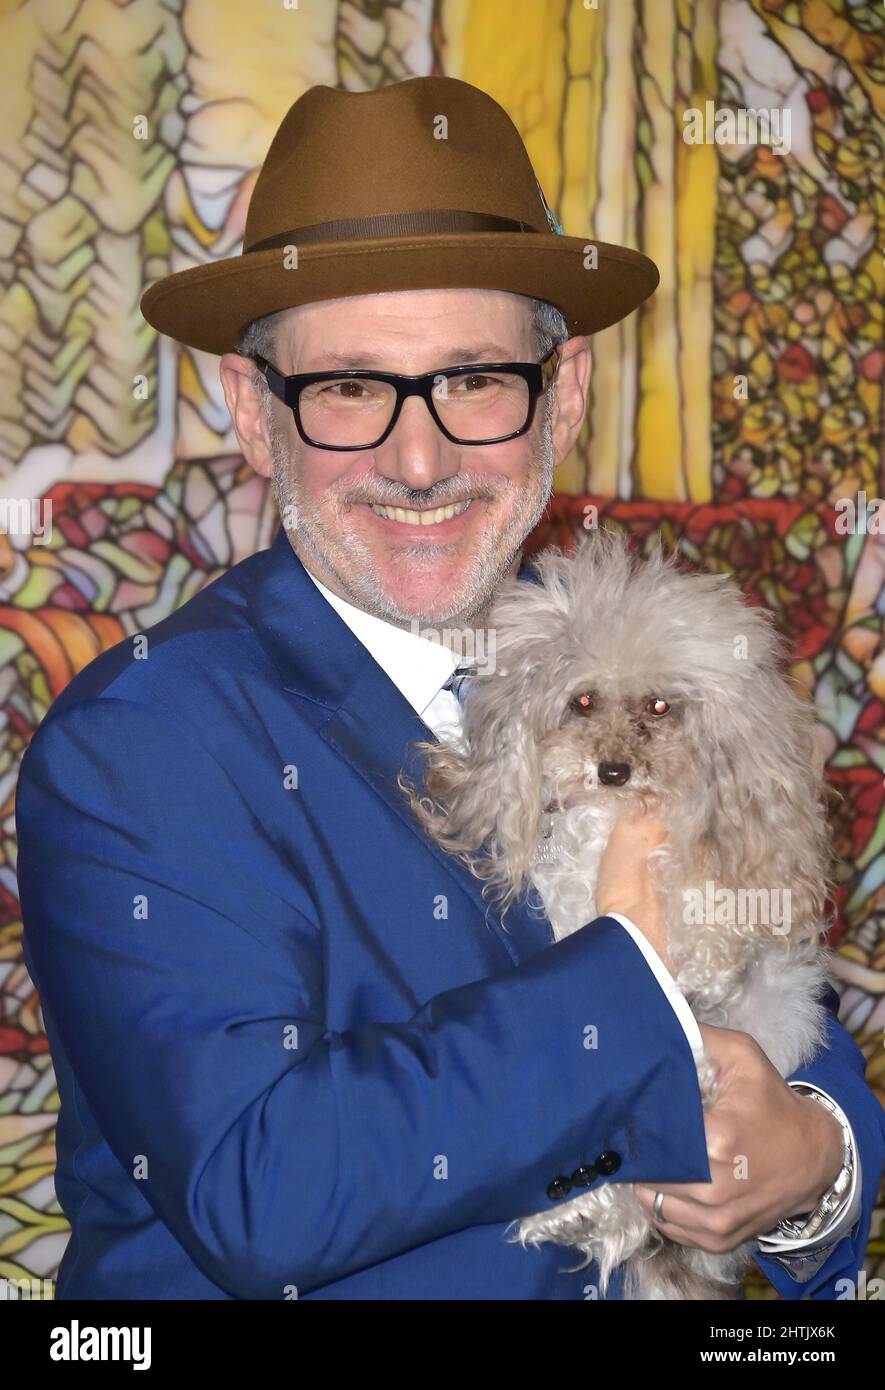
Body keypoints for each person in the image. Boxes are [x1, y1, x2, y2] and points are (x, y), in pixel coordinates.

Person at [16, 76, 883, 1301]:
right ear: (254, 416)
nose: (418, 461)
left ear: (563, 394)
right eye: (350, 388)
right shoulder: (137, 744)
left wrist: (816, 1158)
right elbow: (261, 1188)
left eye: (474, 379)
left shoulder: (625, 665)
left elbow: (772, 979)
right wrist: (628, 972)